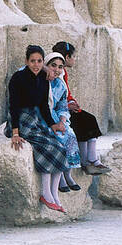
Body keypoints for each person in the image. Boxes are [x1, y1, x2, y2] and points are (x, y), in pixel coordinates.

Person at [8, 45, 70, 213]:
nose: (36, 64)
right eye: (32, 61)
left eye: (39, 61)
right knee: (47, 147)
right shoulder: (18, 78)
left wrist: (53, 124)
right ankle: (45, 193)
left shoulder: (43, 77)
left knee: (60, 147)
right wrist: (15, 133)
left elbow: (43, 105)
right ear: (26, 61)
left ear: (43, 62)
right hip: (21, 121)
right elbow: (13, 106)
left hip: (36, 119)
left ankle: (54, 196)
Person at [51, 42, 109, 174]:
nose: (75, 59)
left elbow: (67, 93)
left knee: (88, 119)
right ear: (67, 57)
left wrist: (72, 102)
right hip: (58, 111)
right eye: (74, 56)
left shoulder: (63, 73)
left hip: (65, 107)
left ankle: (91, 160)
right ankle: (89, 161)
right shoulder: (55, 74)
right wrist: (68, 105)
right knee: (85, 122)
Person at [45, 52, 83, 193]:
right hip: (44, 117)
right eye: (53, 65)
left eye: (60, 67)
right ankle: (60, 177)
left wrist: (62, 120)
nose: (56, 69)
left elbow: (62, 106)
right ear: (46, 65)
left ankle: (68, 174)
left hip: (57, 117)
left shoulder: (60, 84)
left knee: (70, 134)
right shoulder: (41, 82)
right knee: (59, 138)